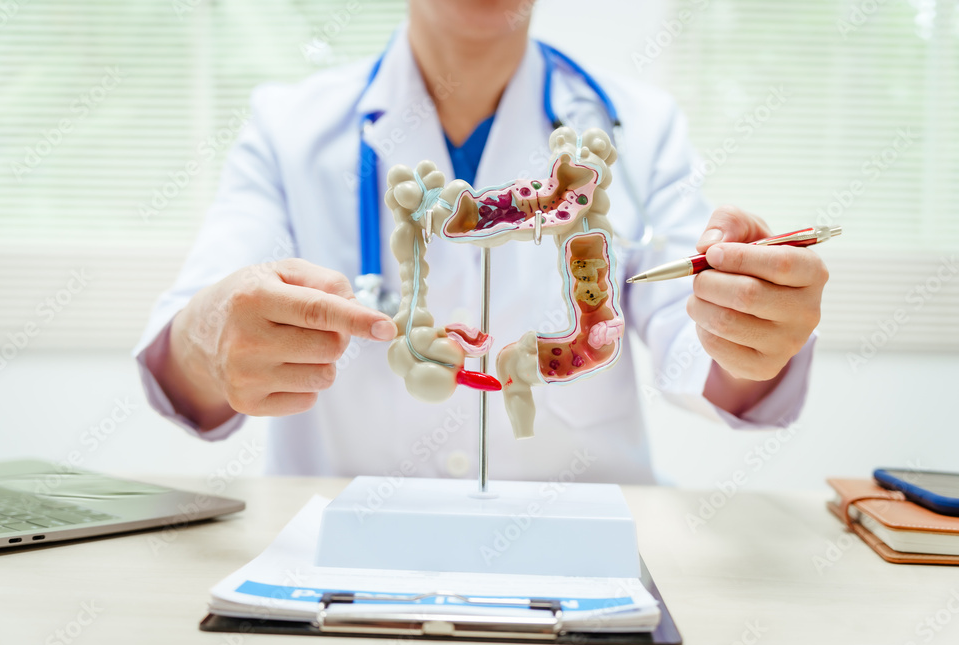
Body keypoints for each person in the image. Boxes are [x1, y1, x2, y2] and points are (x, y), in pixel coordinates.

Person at [134, 0, 828, 483]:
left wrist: (747, 323)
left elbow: (696, 346)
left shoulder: (637, 128)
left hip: (582, 565)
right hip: (352, 562)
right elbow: (191, 348)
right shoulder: (286, 129)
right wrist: (210, 336)